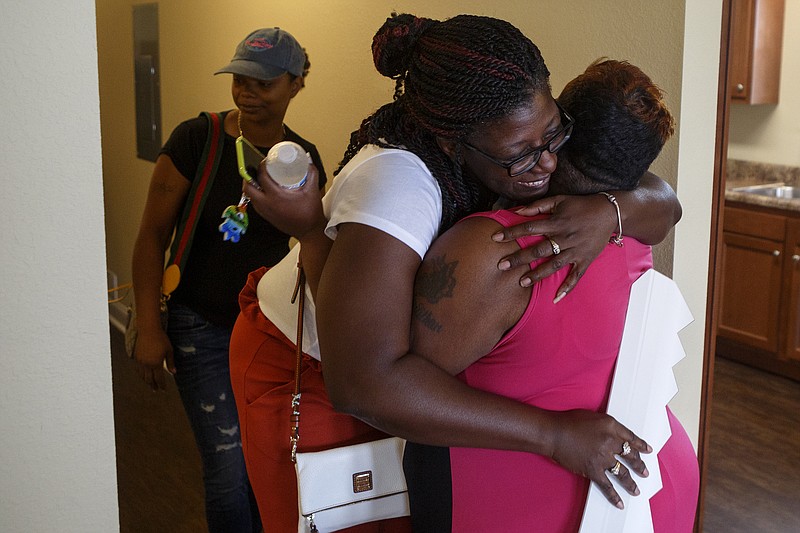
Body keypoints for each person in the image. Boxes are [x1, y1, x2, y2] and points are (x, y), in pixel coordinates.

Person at [229, 14, 681, 532]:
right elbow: (360, 384)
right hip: (301, 362)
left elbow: (664, 201)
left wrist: (610, 211)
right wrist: (553, 435)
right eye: (521, 156)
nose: (549, 165)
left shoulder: (522, 145)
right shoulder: (398, 187)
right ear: (453, 143)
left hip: (373, 363)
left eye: (555, 135)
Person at [405, 59, 699, 532]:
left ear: (557, 135)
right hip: (654, 482)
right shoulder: (632, 224)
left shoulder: (491, 249)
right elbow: (668, 203)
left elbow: (398, 385)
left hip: (540, 502)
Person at [131, 27, 327, 533]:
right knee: (227, 472)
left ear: (296, 84)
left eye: (263, 83)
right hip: (200, 325)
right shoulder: (198, 138)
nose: (247, 92)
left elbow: (313, 245)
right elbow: (152, 234)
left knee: (267, 464)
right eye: (240, 79)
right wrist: (151, 328)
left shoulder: (303, 161)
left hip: (266, 331)